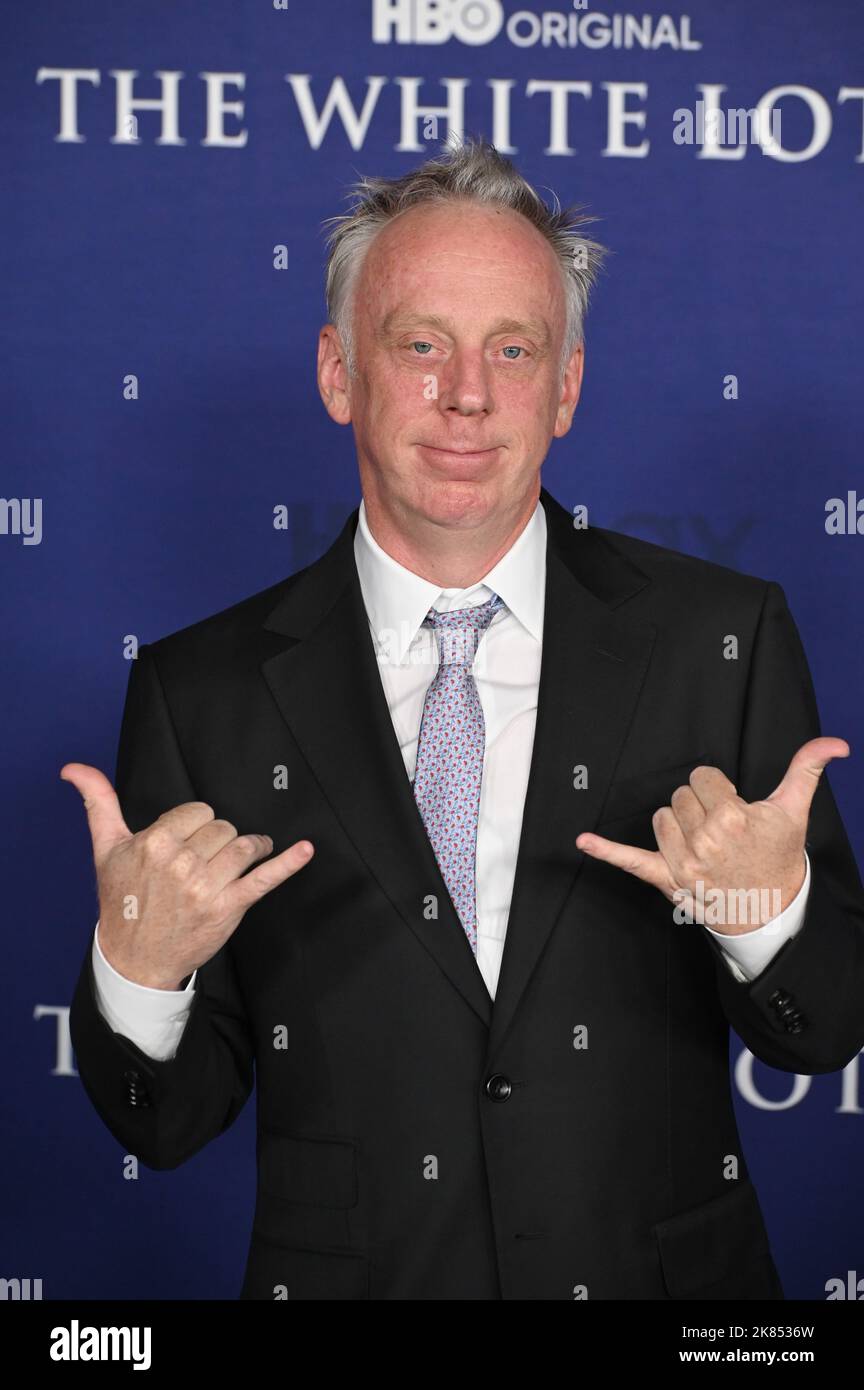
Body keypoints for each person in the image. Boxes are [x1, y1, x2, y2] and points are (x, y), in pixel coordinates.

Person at [64, 138, 864, 1301]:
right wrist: (136, 977)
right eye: (421, 345)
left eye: (513, 349)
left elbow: (825, 1032)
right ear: (340, 373)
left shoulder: (720, 641)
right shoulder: (203, 692)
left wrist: (766, 911)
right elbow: (168, 1126)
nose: (469, 395)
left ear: (567, 387)